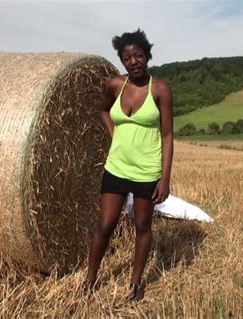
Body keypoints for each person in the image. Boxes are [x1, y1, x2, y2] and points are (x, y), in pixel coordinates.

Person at [85, 29, 174, 301]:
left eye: (138, 55)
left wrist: (165, 178)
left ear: (148, 56)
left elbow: (168, 135)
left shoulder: (159, 90)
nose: (133, 61)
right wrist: (116, 136)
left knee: (142, 226)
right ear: (122, 61)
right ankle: (89, 280)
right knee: (105, 225)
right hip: (117, 167)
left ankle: (135, 283)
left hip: (147, 171)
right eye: (126, 57)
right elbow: (102, 110)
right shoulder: (115, 85)